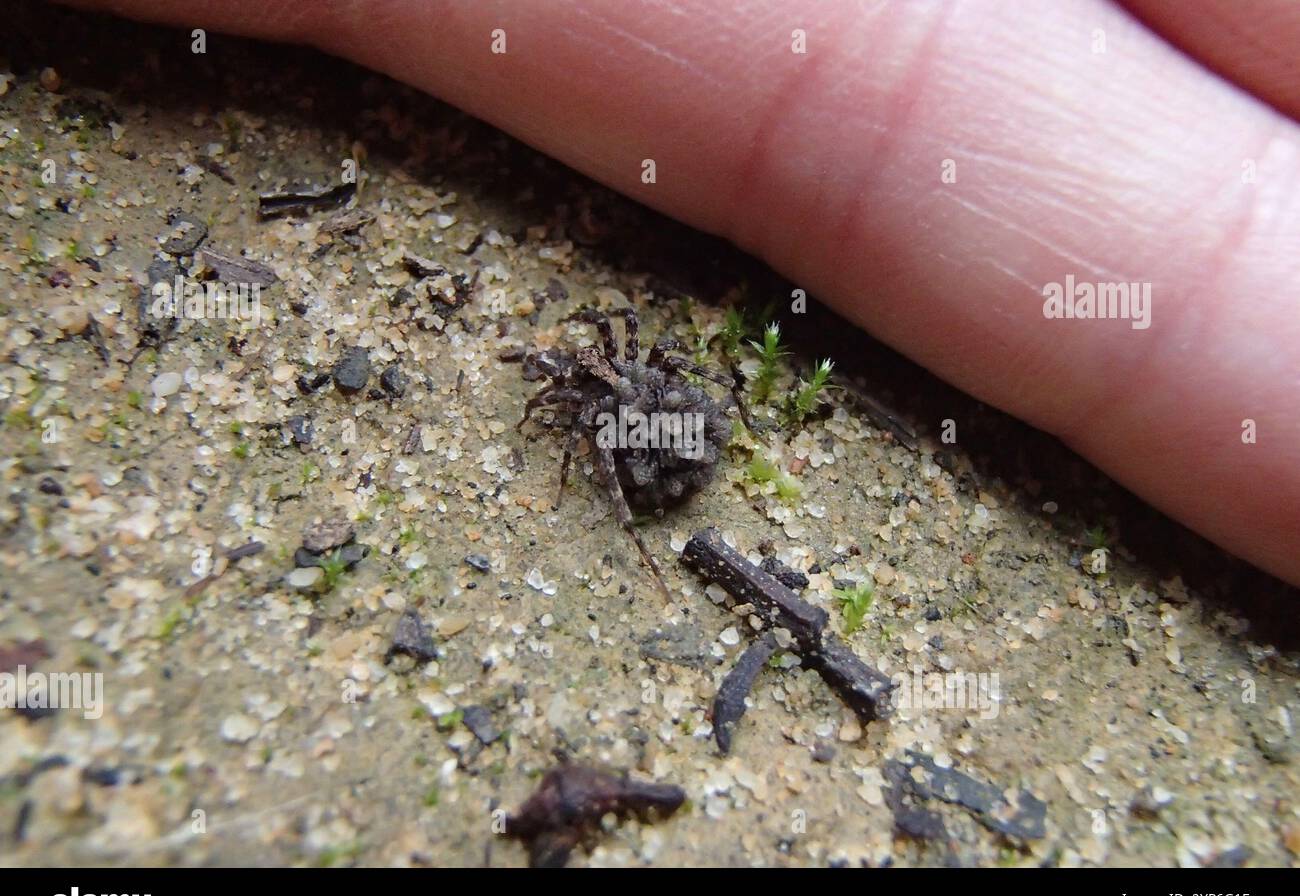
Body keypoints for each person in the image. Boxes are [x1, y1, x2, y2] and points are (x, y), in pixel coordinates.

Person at [65, 0, 1300, 585]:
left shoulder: (617, 390)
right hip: (659, 435)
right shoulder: (605, 396)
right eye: (568, 375)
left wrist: (624, 407)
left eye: (571, 369)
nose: (568, 368)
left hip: (663, 436)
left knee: (634, 404)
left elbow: (623, 389)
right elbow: (608, 398)